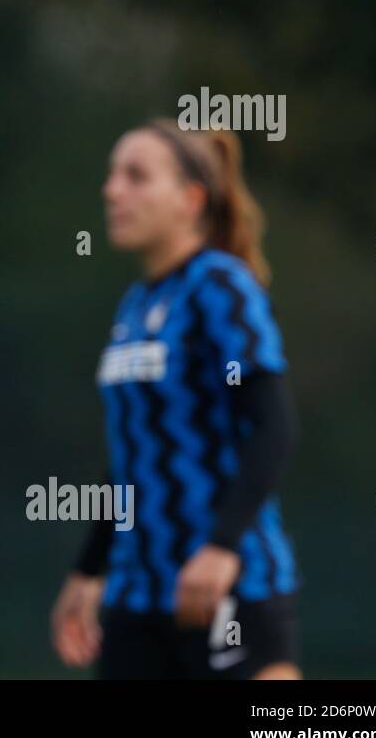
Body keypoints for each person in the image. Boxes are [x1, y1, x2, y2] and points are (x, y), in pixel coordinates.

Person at [51, 117, 302, 679]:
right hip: (138, 596)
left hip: (227, 588)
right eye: (113, 175)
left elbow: (272, 428)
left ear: (191, 198)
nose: (112, 190)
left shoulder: (222, 287)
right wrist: (89, 569)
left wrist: (221, 548)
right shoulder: (136, 305)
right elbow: (130, 460)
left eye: (135, 176)